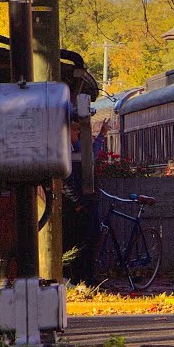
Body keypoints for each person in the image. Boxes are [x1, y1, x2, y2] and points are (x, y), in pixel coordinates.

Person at [63, 120, 109, 283]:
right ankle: (84, 278)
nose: (78, 134)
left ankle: (85, 277)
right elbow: (67, 180)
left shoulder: (74, 150)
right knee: (85, 240)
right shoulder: (68, 153)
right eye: (76, 132)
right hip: (80, 203)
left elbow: (90, 156)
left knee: (87, 239)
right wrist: (78, 203)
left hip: (82, 202)